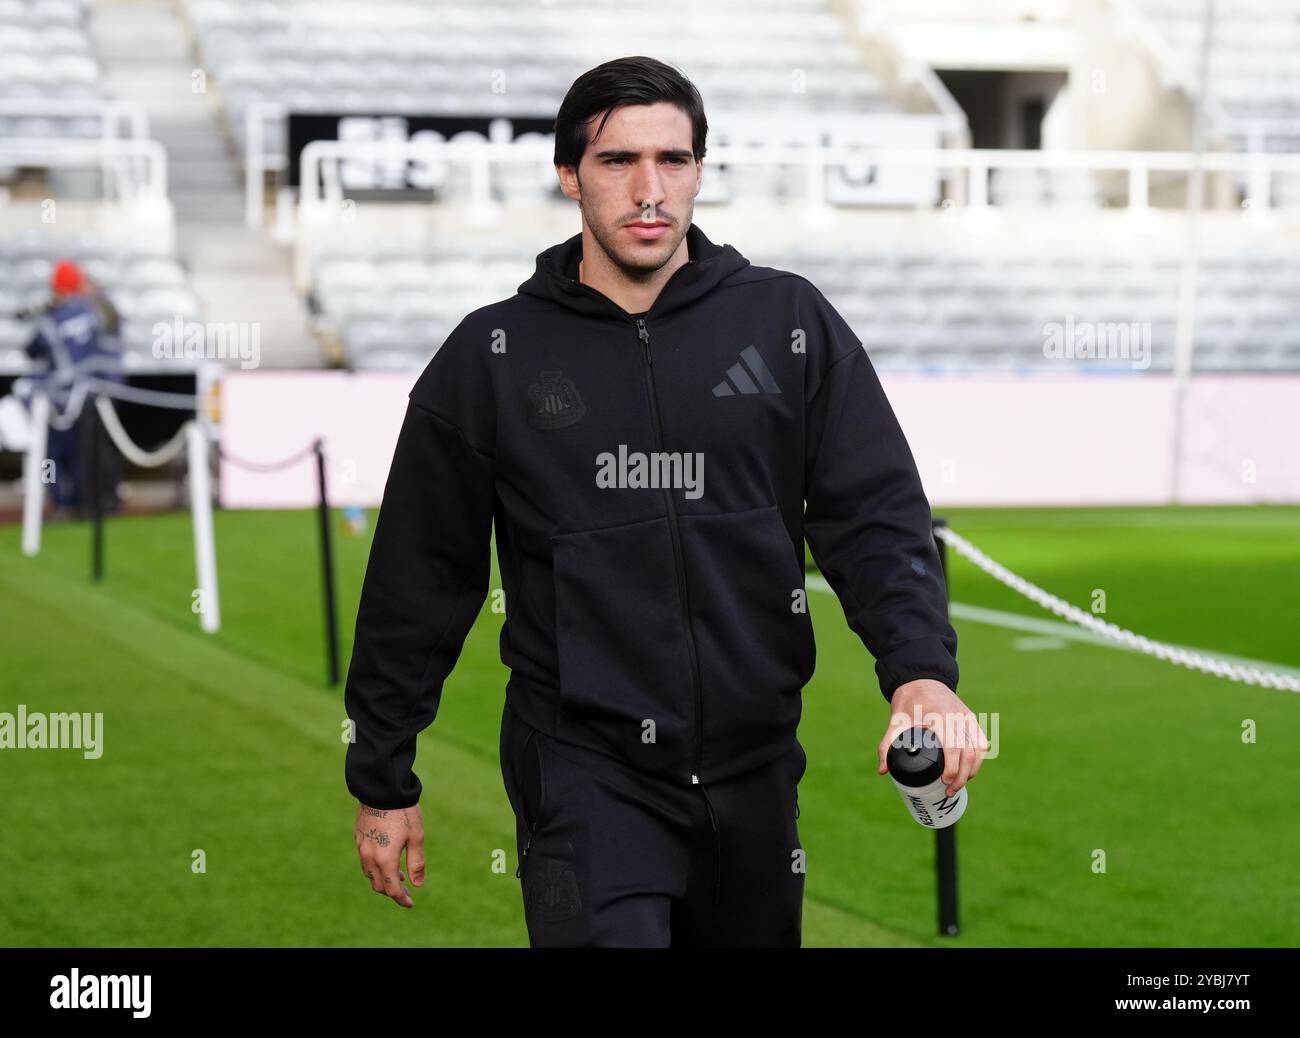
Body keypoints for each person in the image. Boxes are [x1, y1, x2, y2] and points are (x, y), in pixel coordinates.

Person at [345, 55, 987, 947]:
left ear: (697, 170)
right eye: (618, 162)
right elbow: (421, 572)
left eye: (673, 161)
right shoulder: (491, 354)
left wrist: (919, 670)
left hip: (758, 768)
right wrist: (383, 775)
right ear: (569, 174)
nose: (650, 190)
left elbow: (874, 512)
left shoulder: (786, 322)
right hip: (582, 774)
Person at [23, 258, 124, 517]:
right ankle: (86, 501)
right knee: (87, 453)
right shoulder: (94, 310)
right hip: (93, 393)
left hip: (59, 398)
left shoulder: (52, 319)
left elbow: (32, 348)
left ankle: (59, 501)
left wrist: (47, 311)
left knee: (52, 456)